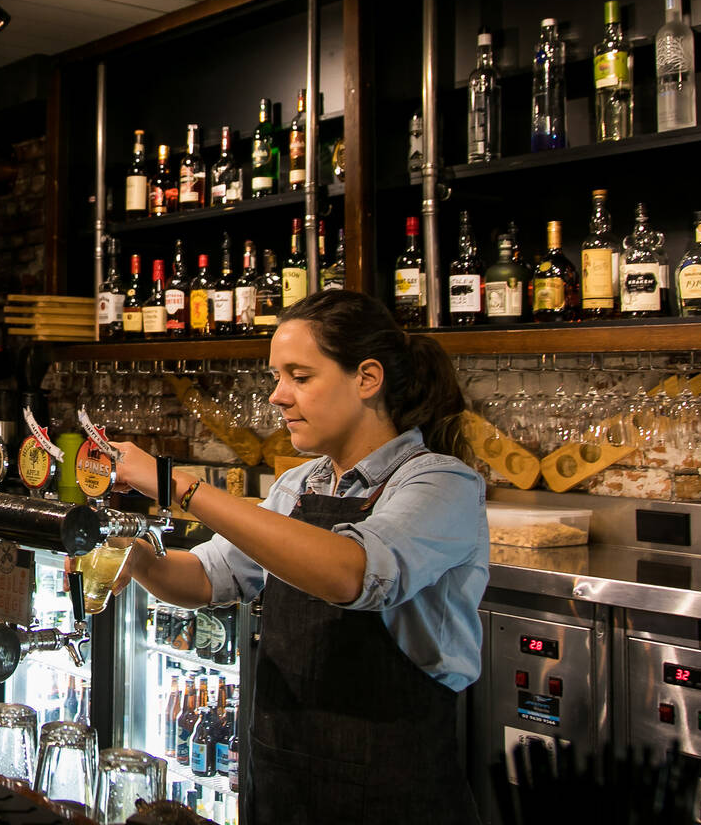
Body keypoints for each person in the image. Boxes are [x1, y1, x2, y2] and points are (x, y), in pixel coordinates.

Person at [104, 290, 487, 822]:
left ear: (367, 378)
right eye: (275, 378)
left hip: (393, 794)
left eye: (299, 377)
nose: (278, 397)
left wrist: (176, 485)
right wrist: (140, 560)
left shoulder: (440, 482)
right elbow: (207, 577)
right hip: (283, 785)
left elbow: (351, 573)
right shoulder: (299, 485)